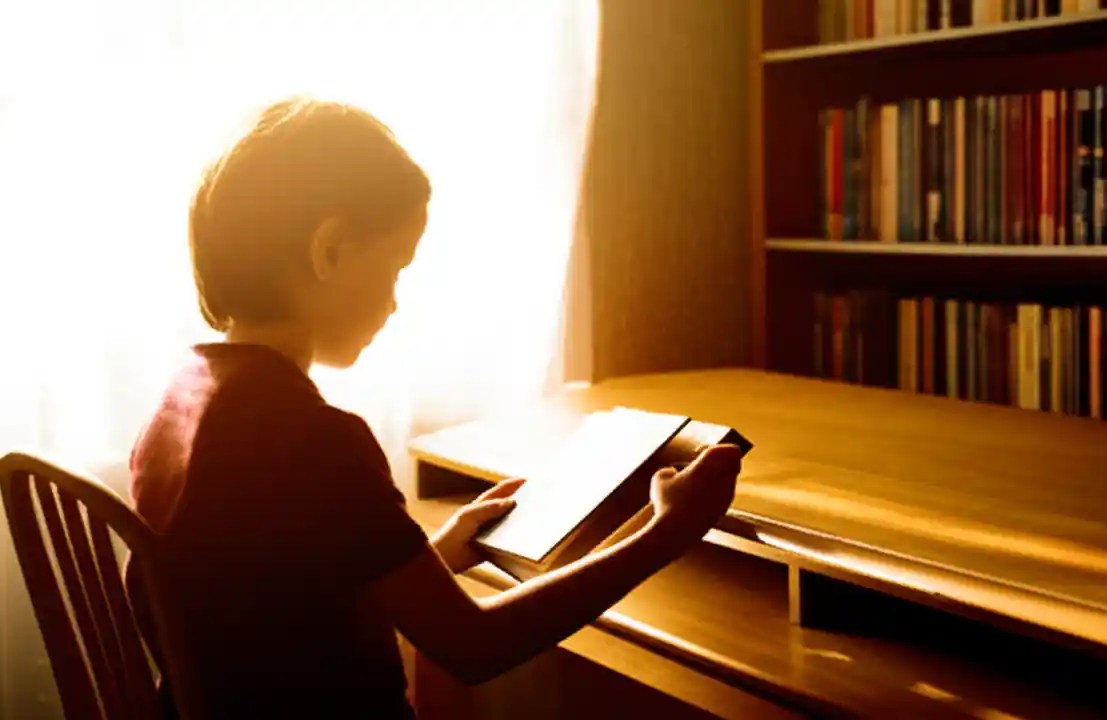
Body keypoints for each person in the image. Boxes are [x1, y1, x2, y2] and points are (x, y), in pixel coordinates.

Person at [126, 97, 742, 718]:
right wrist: (664, 535)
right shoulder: (309, 437)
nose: (395, 303)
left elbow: (268, 590)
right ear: (330, 249)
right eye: (395, 267)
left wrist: (434, 554)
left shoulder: (184, 398)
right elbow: (474, 645)